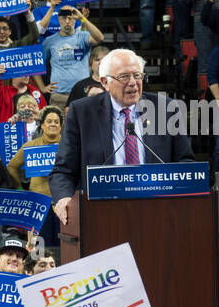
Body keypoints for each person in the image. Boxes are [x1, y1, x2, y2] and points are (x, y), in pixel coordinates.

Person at [48, 49, 195, 228]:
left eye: (137, 75)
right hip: (100, 215)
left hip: (158, 213)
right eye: (124, 77)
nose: (133, 83)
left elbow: (185, 162)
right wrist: (64, 199)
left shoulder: (166, 109)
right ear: (105, 82)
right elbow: (63, 171)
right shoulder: (81, 112)